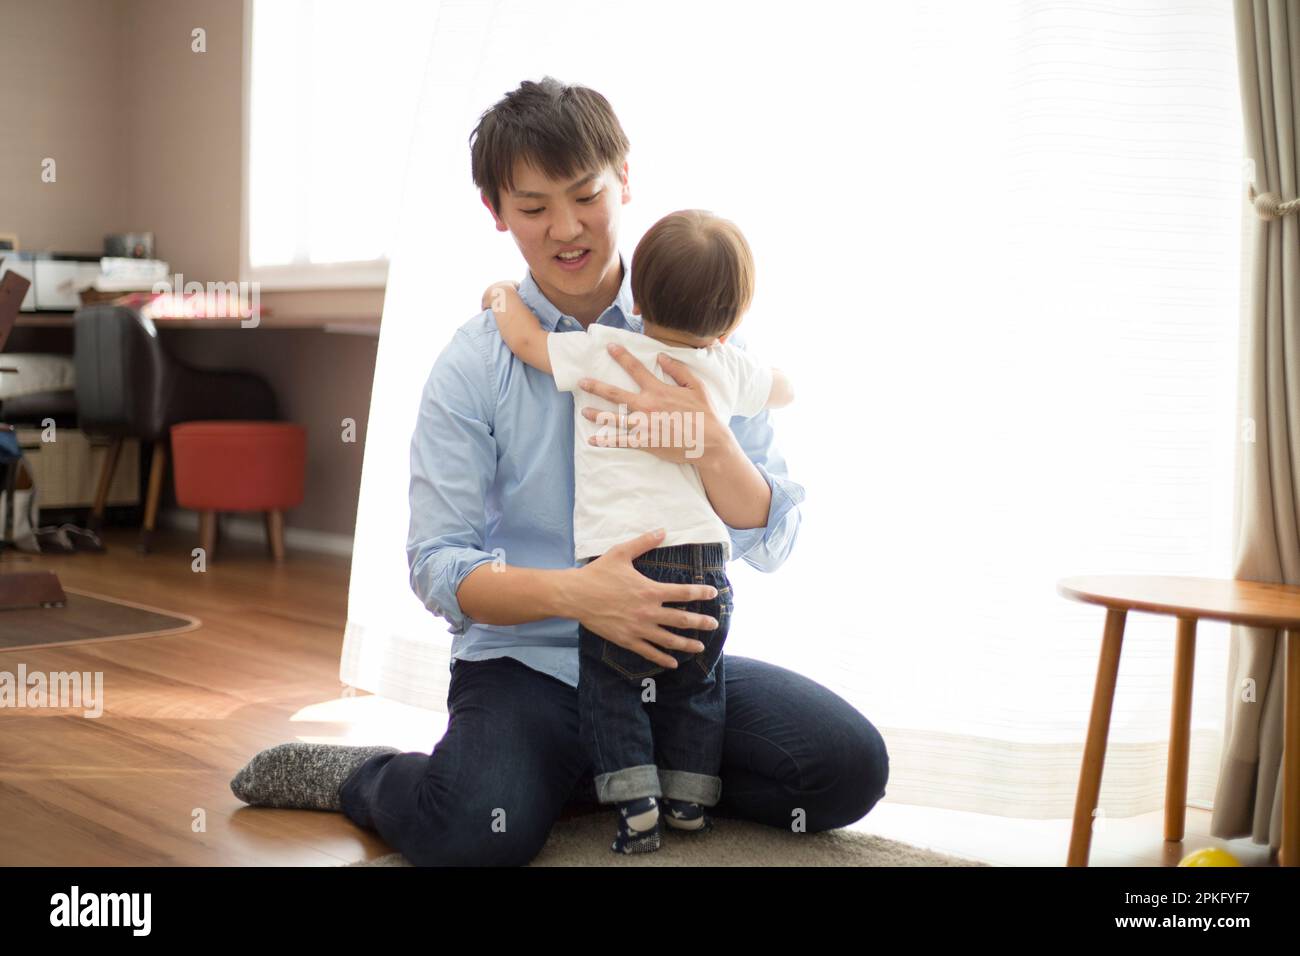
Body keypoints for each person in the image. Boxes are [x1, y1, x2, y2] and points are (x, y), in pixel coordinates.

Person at [230, 76, 889, 866]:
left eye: (586, 196)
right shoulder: (475, 362)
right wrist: (580, 597)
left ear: (625, 180)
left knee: (846, 769)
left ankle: (584, 773)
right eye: (535, 208)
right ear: (497, 213)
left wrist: (711, 442)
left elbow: (773, 538)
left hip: (674, 658)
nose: (567, 229)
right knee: (470, 835)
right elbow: (437, 565)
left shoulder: (703, 336)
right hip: (526, 662)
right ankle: (376, 778)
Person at [481, 208, 794, 852]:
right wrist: (732, 372)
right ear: (732, 321)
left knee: (613, 687)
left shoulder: (604, 346)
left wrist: (501, 297)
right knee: (698, 686)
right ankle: (689, 799)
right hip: (705, 561)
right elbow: (784, 389)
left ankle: (634, 801)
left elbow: (527, 342)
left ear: (638, 297)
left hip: (620, 564)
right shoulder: (728, 367)